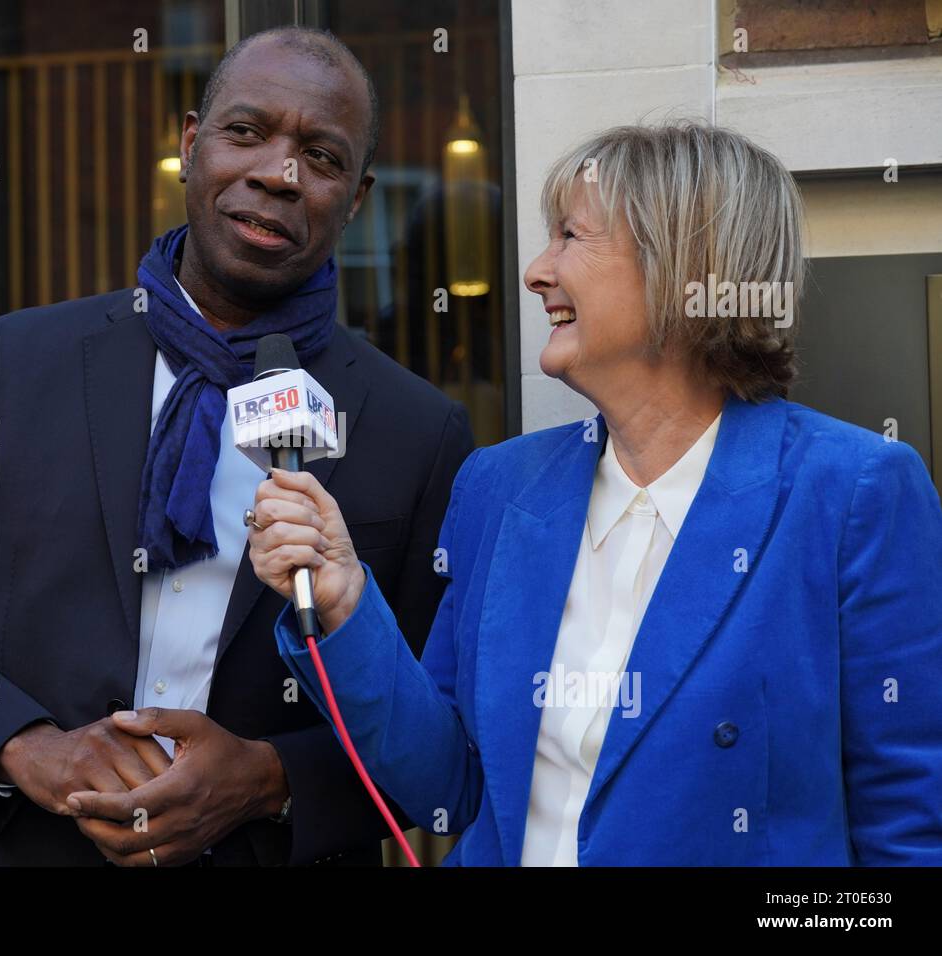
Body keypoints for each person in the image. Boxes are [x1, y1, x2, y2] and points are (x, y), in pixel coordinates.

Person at [238, 122, 942, 865]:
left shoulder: (855, 491)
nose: (536, 271)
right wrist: (346, 599)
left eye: (570, 237)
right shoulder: (498, 486)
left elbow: (909, 829)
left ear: (683, 263)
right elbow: (446, 784)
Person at [0, 25, 473, 866]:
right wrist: (30, 750)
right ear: (190, 145)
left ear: (356, 198)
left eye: (320, 158)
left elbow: (436, 742)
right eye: (245, 133)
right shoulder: (19, 364)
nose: (275, 174)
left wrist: (268, 778)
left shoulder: (417, 430)